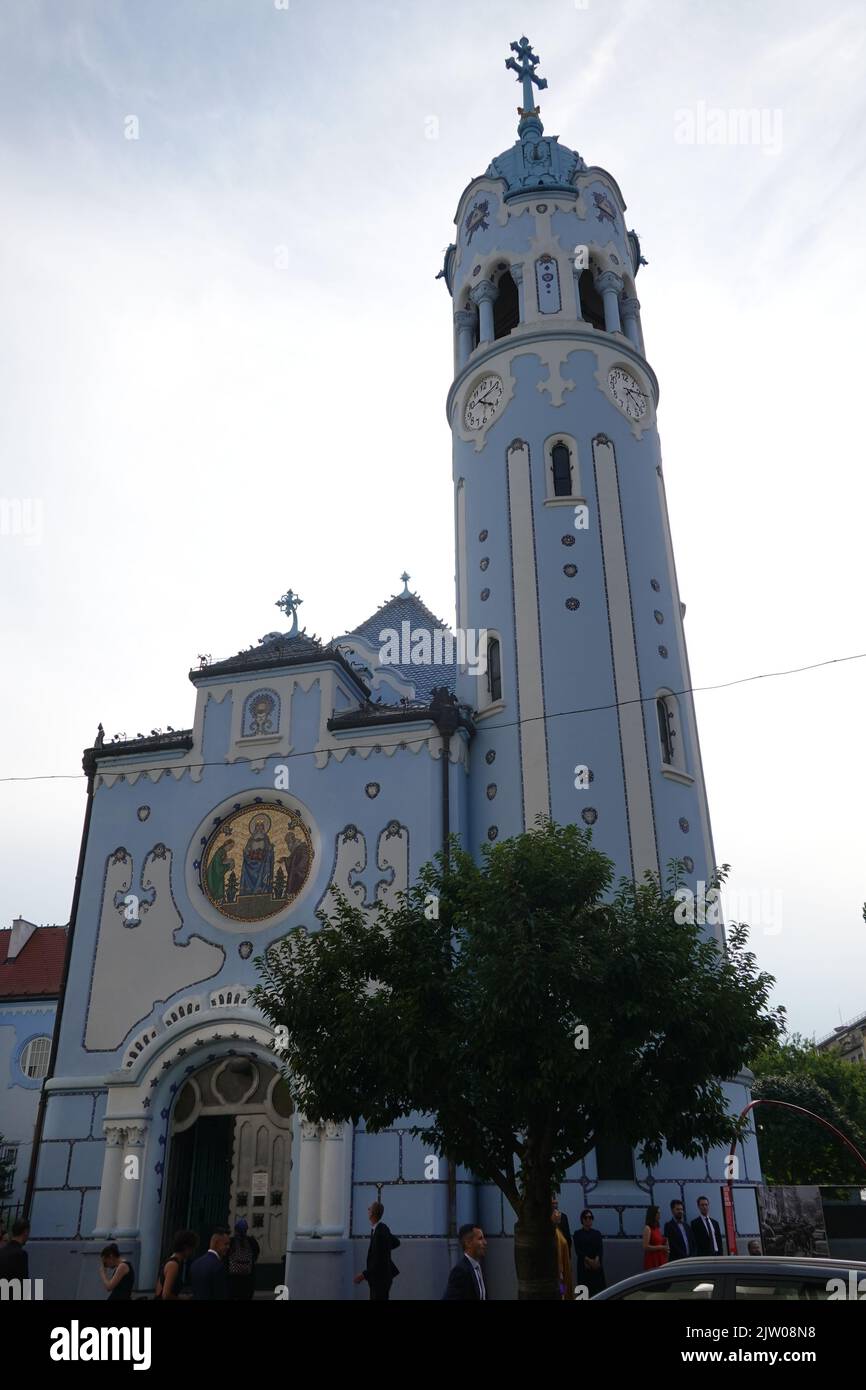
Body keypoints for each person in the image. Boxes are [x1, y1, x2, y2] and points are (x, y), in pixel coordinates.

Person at [353, 1201, 400, 1300]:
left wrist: (363, 1275)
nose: (367, 1210)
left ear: (372, 1213)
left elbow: (377, 1261)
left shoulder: (380, 1232)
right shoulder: (382, 1228)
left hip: (380, 1279)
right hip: (381, 1278)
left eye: (369, 1208)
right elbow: (396, 1242)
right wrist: (384, 1249)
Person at [442, 1224, 488, 1300]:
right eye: (480, 1239)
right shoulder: (460, 1271)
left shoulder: (478, 1268)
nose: (485, 1242)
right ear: (468, 1243)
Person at [189, 1228, 231, 1300]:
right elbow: (220, 1295)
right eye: (226, 1244)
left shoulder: (195, 1263)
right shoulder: (218, 1267)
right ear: (216, 1243)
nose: (228, 1247)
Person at [155, 1229, 198, 1299]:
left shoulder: (172, 1262)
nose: (192, 1252)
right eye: (192, 1249)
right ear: (186, 1247)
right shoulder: (173, 1265)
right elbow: (165, 1295)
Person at [572, 1208, 606, 1296]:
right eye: (585, 1217)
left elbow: (600, 1249)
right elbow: (578, 1250)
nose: (588, 1220)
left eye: (590, 1217)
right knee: (585, 1291)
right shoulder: (577, 1234)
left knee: (598, 1290)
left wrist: (596, 1260)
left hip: (596, 1267)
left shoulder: (597, 1233)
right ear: (582, 1219)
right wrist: (588, 1260)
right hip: (584, 1267)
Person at [226, 1218, 260, 1300]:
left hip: (232, 1279)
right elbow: (256, 1255)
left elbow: (225, 1257)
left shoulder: (231, 1241)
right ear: (246, 1229)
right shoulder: (252, 1241)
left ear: (235, 1229)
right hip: (248, 1279)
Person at [552, 1203, 574, 1300]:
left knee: (563, 1291)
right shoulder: (554, 1234)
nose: (558, 1214)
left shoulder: (559, 1232)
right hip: (558, 1270)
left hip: (564, 1268)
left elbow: (567, 1243)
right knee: (561, 1292)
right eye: (555, 1213)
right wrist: (560, 1270)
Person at [642, 1205, 669, 1270]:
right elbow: (645, 1246)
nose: (659, 1215)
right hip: (652, 1260)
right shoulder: (647, 1228)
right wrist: (661, 1247)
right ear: (653, 1214)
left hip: (660, 1258)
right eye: (658, 1213)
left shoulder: (657, 1228)